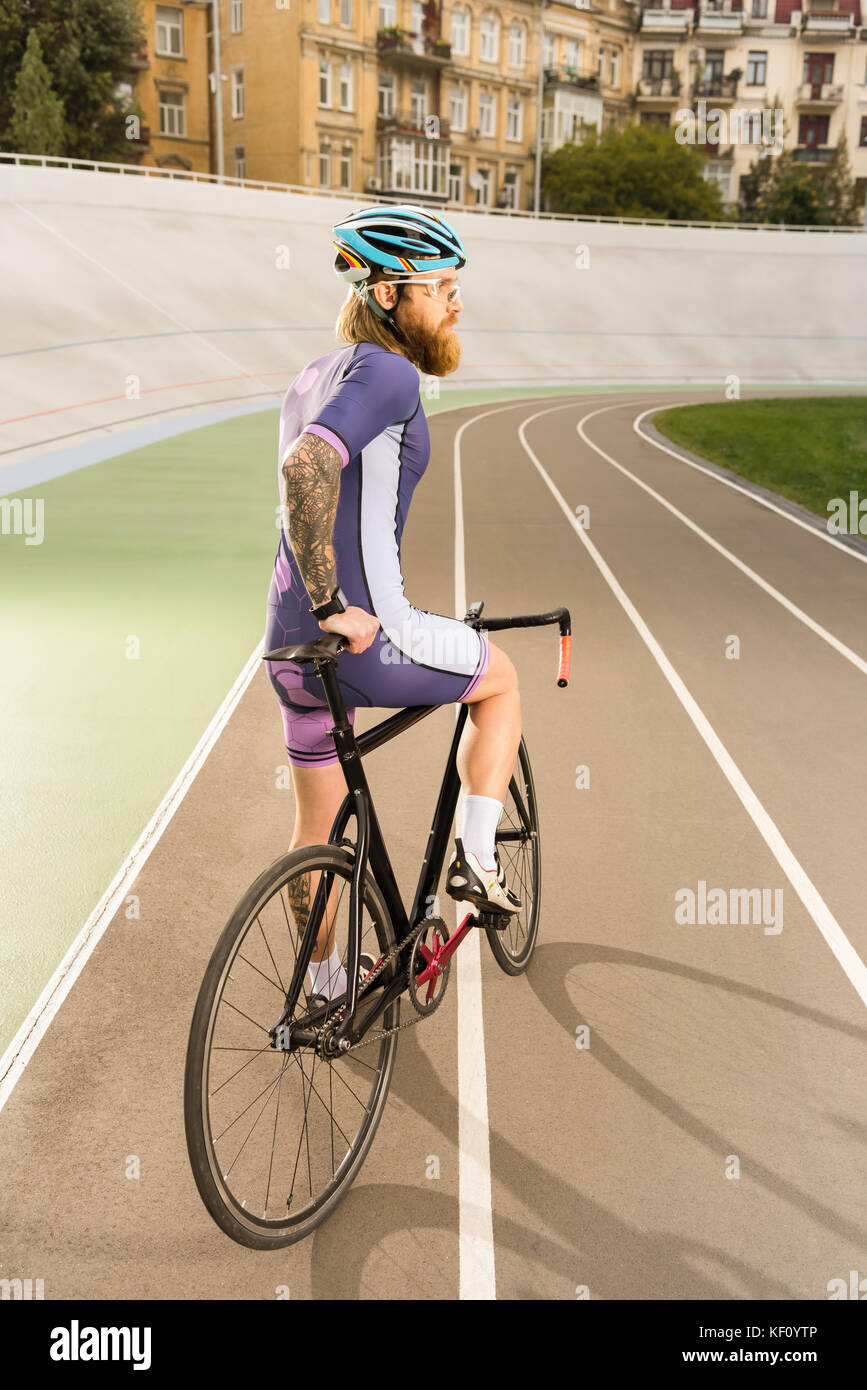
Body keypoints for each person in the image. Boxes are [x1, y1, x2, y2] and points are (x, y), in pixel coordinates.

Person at [264, 204, 522, 1003]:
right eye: (438, 287)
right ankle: (477, 861)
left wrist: (313, 610)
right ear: (384, 297)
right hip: (366, 640)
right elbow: (307, 471)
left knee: (315, 834)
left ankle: (326, 993)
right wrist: (336, 602)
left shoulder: (317, 373)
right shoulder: (388, 372)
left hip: (288, 654)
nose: (454, 301)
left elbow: (314, 478)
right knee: (502, 679)